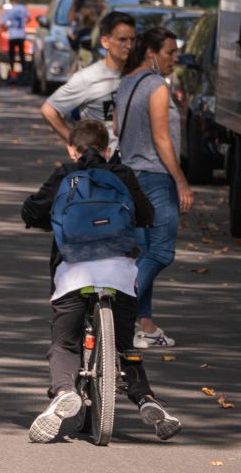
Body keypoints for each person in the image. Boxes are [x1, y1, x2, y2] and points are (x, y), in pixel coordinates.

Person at [21, 119, 182, 443]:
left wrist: (39, 217)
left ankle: (64, 391)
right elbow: (147, 214)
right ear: (108, 150)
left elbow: (33, 211)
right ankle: (145, 397)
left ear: (72, 149)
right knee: (125, 346)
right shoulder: (122, 174)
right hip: (119, 274)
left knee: (64, 343)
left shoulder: (66, 173)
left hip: (73, 274)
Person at [114, 27, 194, 349]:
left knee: (143, 253)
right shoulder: (157, 86)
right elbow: (161, 138)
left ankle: (143, 325)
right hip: (156, 178)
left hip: (130, 178)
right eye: (169, 52)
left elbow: (116, 127)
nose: (175, 58)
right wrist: (181, 180)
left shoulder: (126, 82)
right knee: (161, 252)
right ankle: (119, 304)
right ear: (151, 53)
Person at [40, 11, 136, 148]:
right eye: (122, 40)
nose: (129, 45)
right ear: (105, 42)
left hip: (134, 160)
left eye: (132, 40)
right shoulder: (88, 78)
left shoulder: (139, 76)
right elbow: (49, 110)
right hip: (103, 160)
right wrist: (75, 145)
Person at [1, 1, 30, 85]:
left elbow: (2, 22)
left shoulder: (11, 10)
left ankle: (12, 72)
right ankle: (24, 72)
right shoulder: (23, 9)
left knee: (12, 55)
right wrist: (23, 24)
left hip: (13, 35)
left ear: (12, 1)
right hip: (21, 35)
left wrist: (7, 27)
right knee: (22, 54)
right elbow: (28, 19)